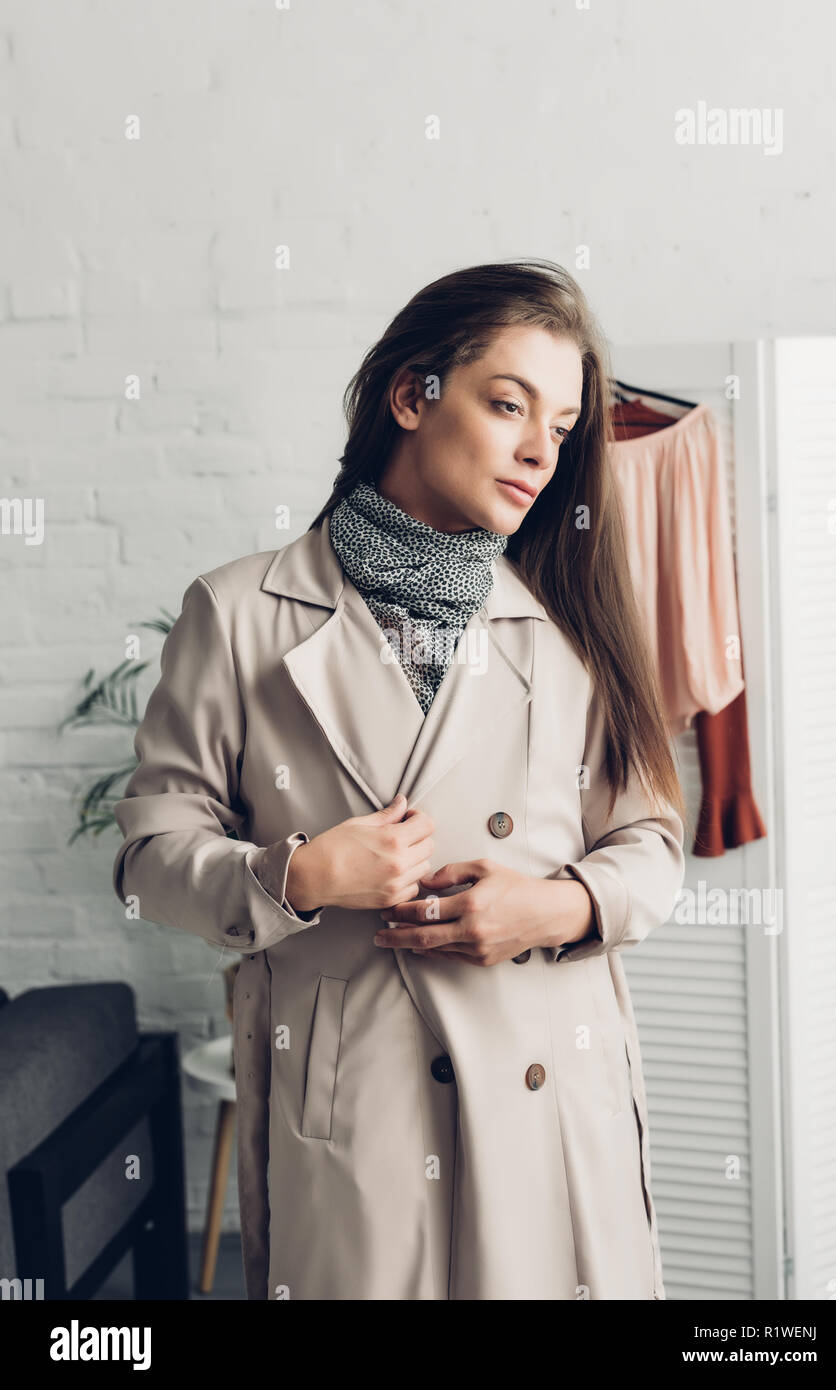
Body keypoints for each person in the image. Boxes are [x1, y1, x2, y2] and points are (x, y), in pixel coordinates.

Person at [112, 257, 687, 1300]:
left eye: (558, 429)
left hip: (549, 1091)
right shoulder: (238, 613)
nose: (536, 452)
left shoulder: (574, 618)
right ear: (413, 395)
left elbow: (652, 848)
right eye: (509, 404)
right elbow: (149, 859)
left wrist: (549, 905)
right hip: (358, 1110)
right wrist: (298, 875)